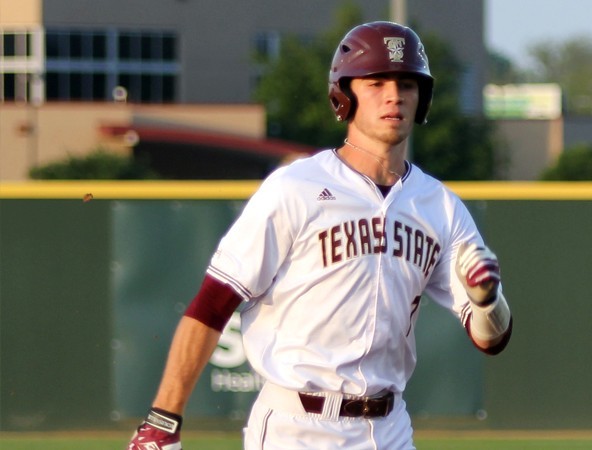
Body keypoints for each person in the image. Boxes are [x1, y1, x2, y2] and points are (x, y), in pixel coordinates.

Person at [127, 21, 513, 450]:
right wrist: (163, 419)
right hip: (296, 426)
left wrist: (488, 301)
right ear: (344, 95)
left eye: (406, 83)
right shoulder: (296, 187)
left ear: (422, 97)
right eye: (376, 82)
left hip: (389, 428)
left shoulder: (439, 205)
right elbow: (212, 305)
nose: (393, 95)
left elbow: (491, 339)